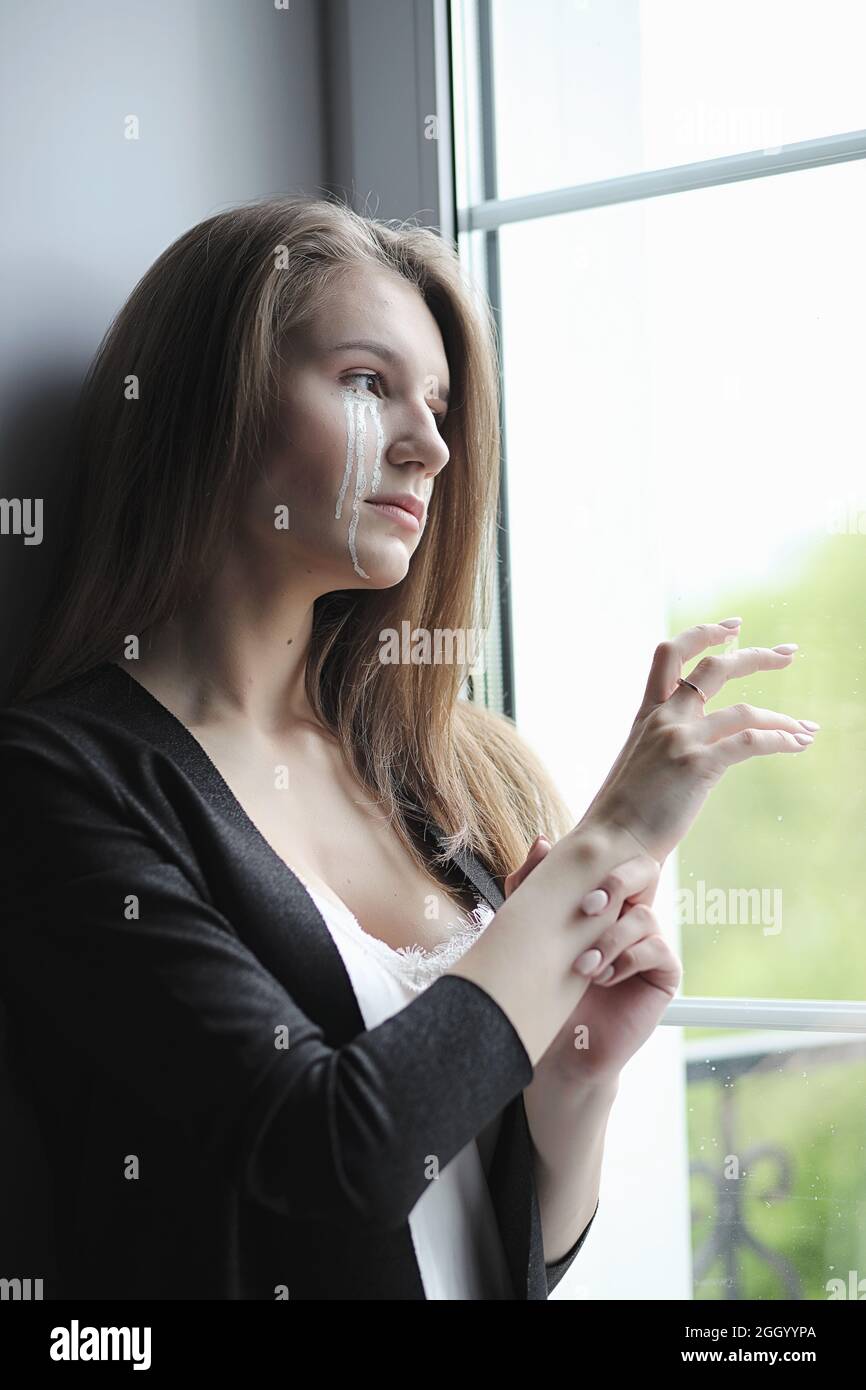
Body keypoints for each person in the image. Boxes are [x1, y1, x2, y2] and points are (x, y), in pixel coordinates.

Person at [0, 195, 819, 1300]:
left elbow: (493, 1255)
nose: (430, 445)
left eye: (435, 403)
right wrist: (608, 839)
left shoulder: (438, 776)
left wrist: (574, 1080)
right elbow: (329, 1155)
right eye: (365, 381)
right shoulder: (58, 779)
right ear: (209, 403)